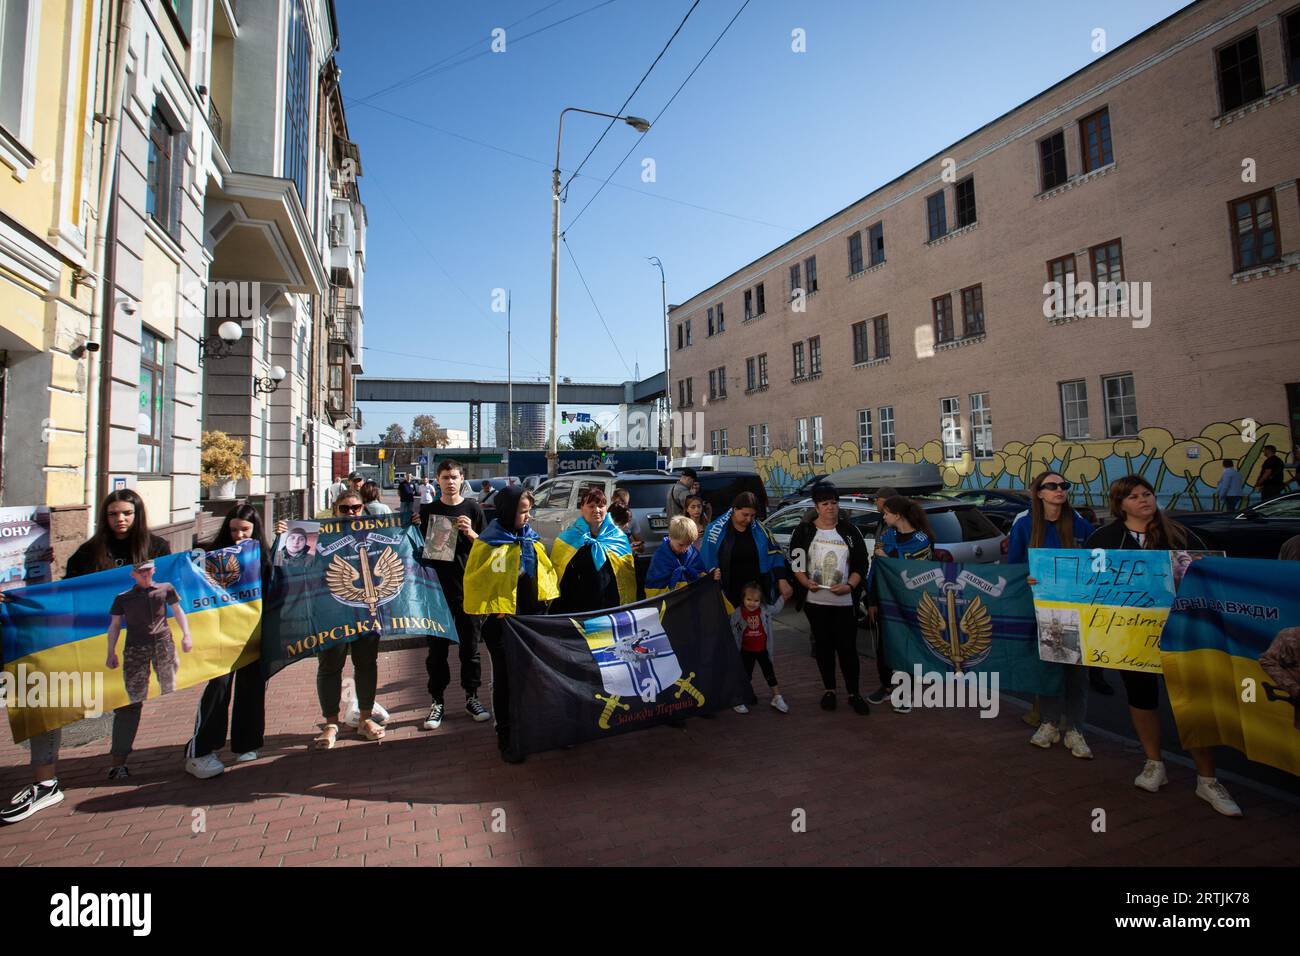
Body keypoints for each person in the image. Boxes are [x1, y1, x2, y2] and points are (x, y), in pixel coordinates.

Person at [1, 490, 171, 822]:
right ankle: (45, 779)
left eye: (125, 513)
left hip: (134, 639)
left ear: (137, 515)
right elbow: (67, 593)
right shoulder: (88, 552)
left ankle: (119, 762)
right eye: (112, 514)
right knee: (50, 698)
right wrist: (32, 584)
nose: (119, 519)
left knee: (130, 699)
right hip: (88, 639)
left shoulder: (156, 548)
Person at [1086, 475, 1242, 816]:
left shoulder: (1181, 535)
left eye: (1147, 493)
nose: (1144, 500)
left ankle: (1207, 778)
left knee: (1191, 702)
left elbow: (1212, 572)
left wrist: (1208, 568)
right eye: (1134, 496)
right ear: (1120, 504)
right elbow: (1083, 581)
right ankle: (1154, 762)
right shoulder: (1104, 538)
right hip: (1131, 635)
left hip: (1181, 634)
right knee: (1142, 698)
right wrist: (1044, 582)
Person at [463, 486, 559, 763]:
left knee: (533, 677)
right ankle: (506, 735)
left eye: (529, 511)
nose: (528, 517)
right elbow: (477, 582)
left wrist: (545, 607)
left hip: (531, 622)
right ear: (506, 512)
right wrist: (495, 609)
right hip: (503, 625)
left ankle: (533, 727)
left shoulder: (531, 540)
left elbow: (544, 576)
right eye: (523, 511)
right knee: (505, 680)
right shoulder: (489, 542)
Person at [1009, 472, 1096, 758]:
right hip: (1041, 609)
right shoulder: (1024, 525)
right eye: (1052, 486)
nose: (1060, 490)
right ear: (1039, 493)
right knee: (1048, 666)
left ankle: (1075, 729)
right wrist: (1028, 578)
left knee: (1076, 671)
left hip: (1076, 608)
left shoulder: (1079, 524)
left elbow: (1094, 564)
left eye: (1063, 486)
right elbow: (1014, 568)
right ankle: (1048, 723)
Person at [184, 504, 270, 779]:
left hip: (252, 634)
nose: (238, 536)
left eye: (244, 530)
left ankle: (248, 743)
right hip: (220, 636)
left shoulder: (264, 556)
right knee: (218, 686)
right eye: (233, 530)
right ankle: (202, 747)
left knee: (252, 687)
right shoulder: (212, 554)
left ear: (255, 529)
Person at [298, 490, 387, 748]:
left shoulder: (374, 534)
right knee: (329, 666)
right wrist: (286, 535)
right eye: (345, 509)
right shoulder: (316, 533)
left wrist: (411, 525)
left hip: (365, 611)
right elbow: (291, 564)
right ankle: (331, 723)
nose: (351, 513)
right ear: (335, 510)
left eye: (356, 508)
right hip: (330, 612)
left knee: (367, 664)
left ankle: (366, 718)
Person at [421, 459, 490, 731]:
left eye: (454, 477)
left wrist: (471, 532)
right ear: (437, 480)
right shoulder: (428, 510)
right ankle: (437, 702)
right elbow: (418, 548)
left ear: (463, 479)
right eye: (445, 477)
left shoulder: (473, 508)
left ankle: (471, 697)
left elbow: (489, 550)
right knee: (436, 652)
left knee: (470, 649)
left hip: (468, 590)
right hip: (436, 593)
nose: (450, 482)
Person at [789, 484, 870, 714]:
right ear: (816, 507)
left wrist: (849, 585)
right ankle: (830, 690)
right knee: (823, 646)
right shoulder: (804, 531)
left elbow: (861, 563)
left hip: (844, 602)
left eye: (834, 503)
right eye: (825, 504)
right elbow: (796, 563)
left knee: (847, 648)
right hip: (816, 602)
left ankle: (854, 693)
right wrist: (804, 582)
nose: (831, 508)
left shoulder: (849, 531)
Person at [865, 495, 935, 713]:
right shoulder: (887, 535)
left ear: (898, 515)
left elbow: (912, 573)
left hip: (912, 604)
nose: (883, 517)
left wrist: (886, 556)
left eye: (886, 513)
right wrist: (872, 599)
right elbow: (876, 570)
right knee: (884, 646)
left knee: (908, 647)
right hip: (886, 602)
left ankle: (906, 692)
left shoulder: (922, 540)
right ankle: (886, 685)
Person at [106, 560, 193, 703]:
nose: (145, 574)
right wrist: (111, 652)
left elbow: (178, 611)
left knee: (169, 687)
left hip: (163, 644)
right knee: (135, 693)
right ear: (133, 574)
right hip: (135, 648)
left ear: (154, 570)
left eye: (148, 570)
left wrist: (187, 635)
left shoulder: (166, 588)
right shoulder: (123, 598)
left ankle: (167, 716)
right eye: (141, 571)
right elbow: (115, 625)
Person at [699, 491, 793, 614]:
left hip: (756, 594)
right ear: (734, 510)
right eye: (745, 514)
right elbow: (706, 561)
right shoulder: (714, 531)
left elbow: (775, 554)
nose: (749, 519)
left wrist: (782, 579)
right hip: (729, 592)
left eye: (753, 515)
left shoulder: (761, 531)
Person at [551, 487, 637, 614]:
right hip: (578, 609)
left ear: (606, 508)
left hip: (611, 607)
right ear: (582, 508)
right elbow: (558, 576)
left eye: (601, 506)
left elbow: (626, 575)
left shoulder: (618, 537)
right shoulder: (568, 538)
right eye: (591, 506)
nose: (597, 510)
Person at [730, 581, 789, 715]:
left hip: (763, 649)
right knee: (746, 676)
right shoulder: (737, 613)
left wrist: (783, 597)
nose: (752, 603)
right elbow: (732, 631)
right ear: (743, 599)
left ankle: (777, 697)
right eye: (749, 599)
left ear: (760, 600)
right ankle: (739, 699)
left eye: (756, 600)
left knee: (769, 673)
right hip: (746, 650)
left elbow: (776, 608)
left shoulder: (764, 610)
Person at [645, 515, 708, 596]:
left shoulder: (693, 553)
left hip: (689, 599)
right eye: (681, 545)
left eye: (689, 544)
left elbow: (702, 574)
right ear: (670, 536)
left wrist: (712, 575)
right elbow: (654, 587)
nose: (685, 549)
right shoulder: (660, 557)